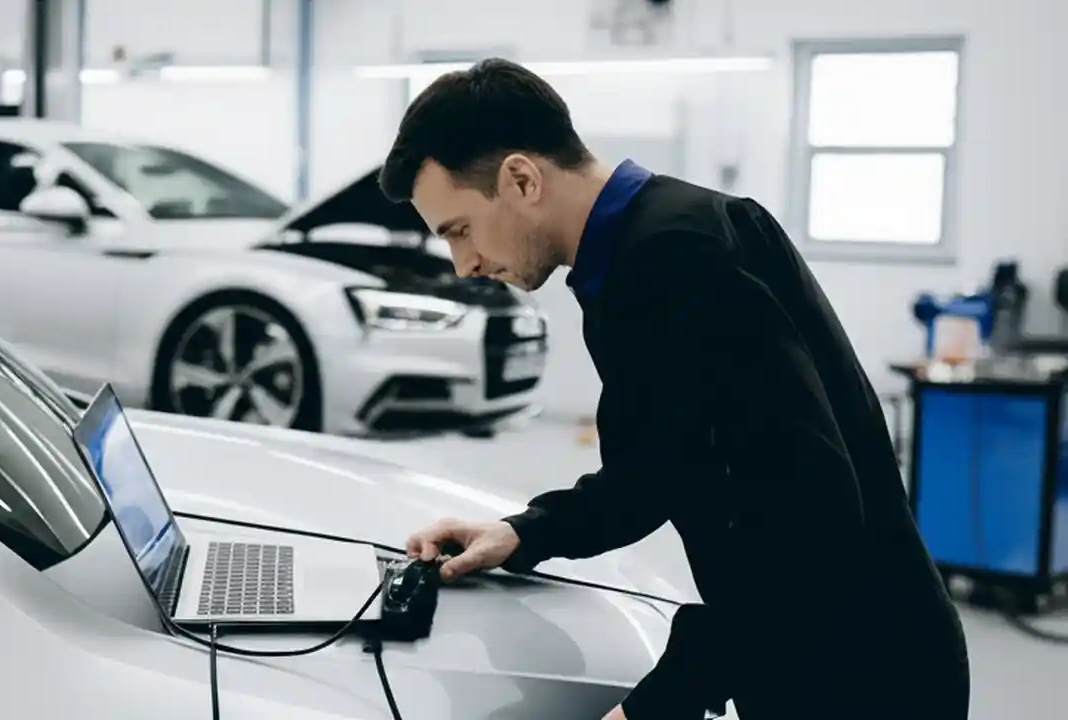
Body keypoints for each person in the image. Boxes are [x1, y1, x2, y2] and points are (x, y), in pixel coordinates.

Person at [378, 58, 970, 720]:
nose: (465, 265)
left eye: (458, 230)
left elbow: (810, 515)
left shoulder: (675, 258)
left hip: (862, 675)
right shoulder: (651, 245)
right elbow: (657, 470)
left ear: (521, 178)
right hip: (828, 655)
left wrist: (665, 700)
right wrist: (522, 533)